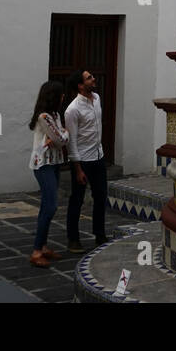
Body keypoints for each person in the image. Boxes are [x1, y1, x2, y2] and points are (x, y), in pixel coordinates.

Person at [64, 69, 108, 250]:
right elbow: (71, 141)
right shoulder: (72, 110)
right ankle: (73, 238)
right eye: (89, 78)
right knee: (77, 200)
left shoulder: (97, 99)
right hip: (83, 160)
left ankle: (100, 234)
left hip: (98, 156)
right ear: (80, 86)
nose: (93, 79)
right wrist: (78, 169)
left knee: (100, 197)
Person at [28, 80, 68, 268]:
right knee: (51, 206)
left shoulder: (55, 115)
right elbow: (61, 138)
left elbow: (59, 139)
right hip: (43, 165)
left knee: (47, 206)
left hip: (54, 163)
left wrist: (60, 137)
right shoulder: (43, 117)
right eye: (60, 94)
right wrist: (63, 135)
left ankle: (42, 246)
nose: (63, 97)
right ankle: (36, 251)